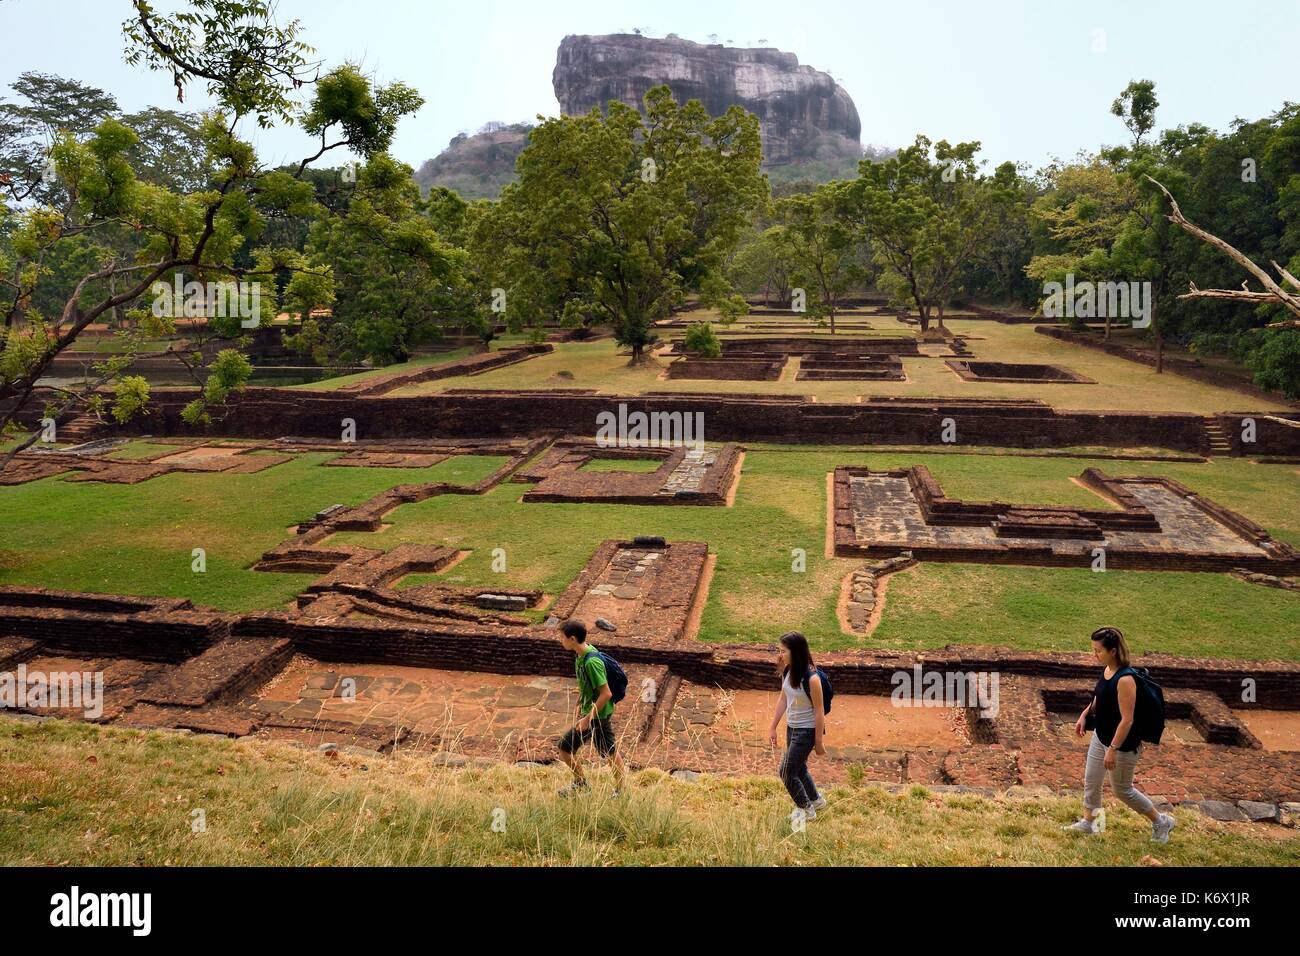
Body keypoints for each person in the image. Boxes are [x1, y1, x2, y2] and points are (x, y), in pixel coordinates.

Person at [1062, 626, 1175, 843]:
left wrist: (1112, 750)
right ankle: (1092, 823)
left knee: (1123, 790)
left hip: (1121, 745)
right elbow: (1100, 698)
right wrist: (1085, 715)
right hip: (1101, 736)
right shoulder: (1106, 670)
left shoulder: (1125, 680)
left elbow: (1127, 719)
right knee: (1092, 781)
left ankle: (1161, 821)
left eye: (1098, 651)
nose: (1094, 654)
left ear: (1113, 651)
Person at [555, 619, 626, 797]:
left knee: (609, 753)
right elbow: (588, 684)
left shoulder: (590, 662)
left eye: (561, 637)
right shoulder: (581, 654)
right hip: (590, 714)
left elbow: (606, 693)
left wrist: (588, 718)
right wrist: (582, 698)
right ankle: (580, 783)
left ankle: (621, 790)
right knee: (566, 747)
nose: (560, 640)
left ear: (572, 639)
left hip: (598, 717)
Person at [768, 631, 827, 821]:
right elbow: (783, 699)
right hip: (791, 727)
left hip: (806, 731)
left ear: (796, 652)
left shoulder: (812, 679)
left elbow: (819, 711)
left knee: (786, 771)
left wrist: (818, 742)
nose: (780, 655)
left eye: (783, 651)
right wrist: (773, 727)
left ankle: (806, 809)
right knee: (799, 768)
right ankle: (816, 800)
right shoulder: (787, 670)